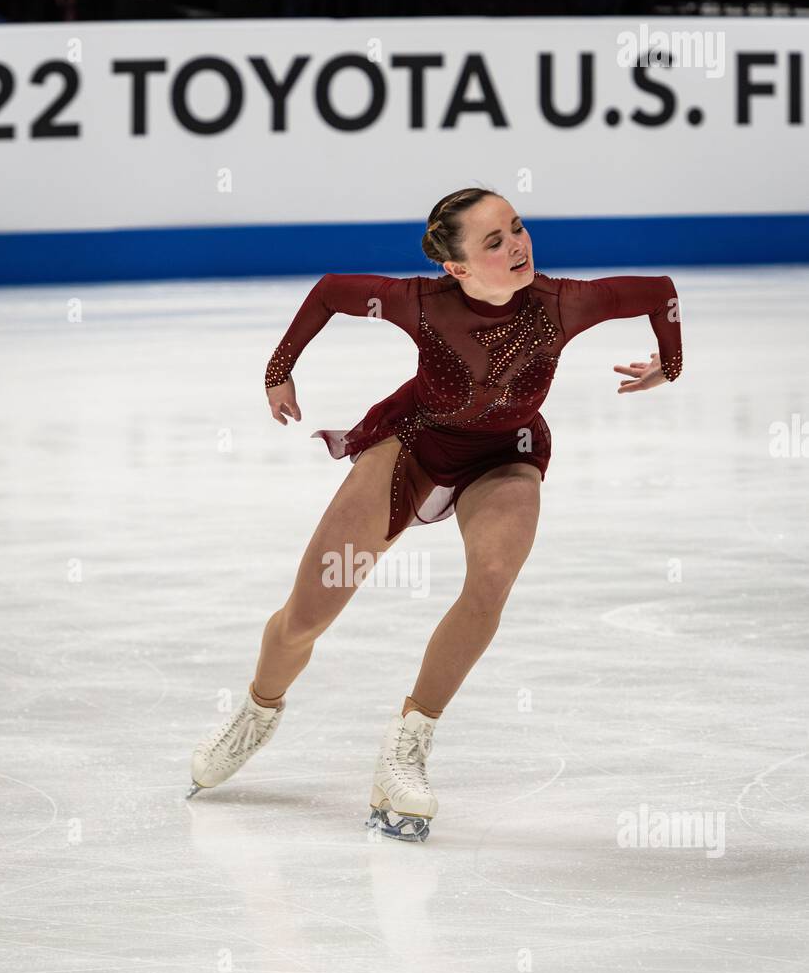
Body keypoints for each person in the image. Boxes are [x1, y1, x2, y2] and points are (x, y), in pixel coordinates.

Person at [187, 186, 683, 841]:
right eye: (494, 241)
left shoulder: (565, 302)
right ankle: (257, 710)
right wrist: (278, 370)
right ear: (455, 267)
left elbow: (660, 291)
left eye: (516, 227)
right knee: (306, 617)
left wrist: (667, 366)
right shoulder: (419, 303)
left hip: (506, 454)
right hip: (412, 445)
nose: (517, 245)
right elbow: (332, 290)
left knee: (490, 581)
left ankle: (408, 743)